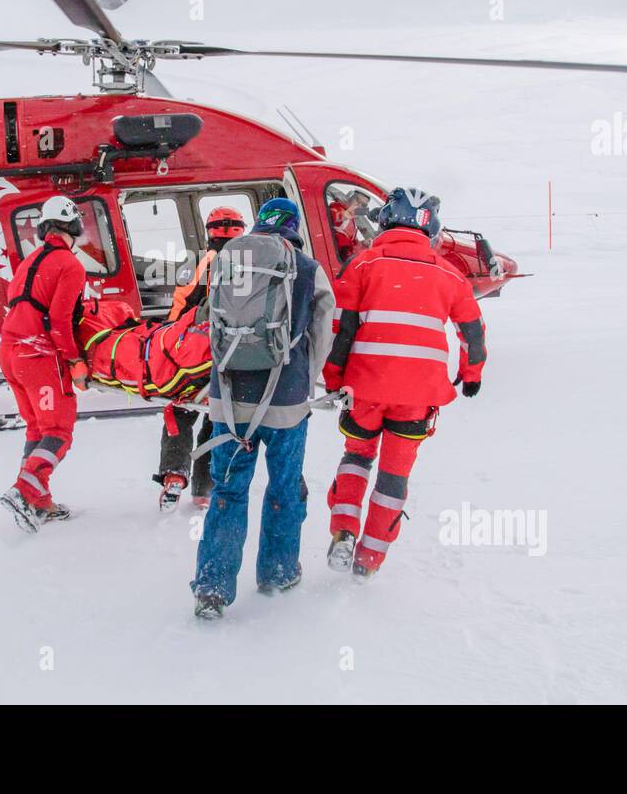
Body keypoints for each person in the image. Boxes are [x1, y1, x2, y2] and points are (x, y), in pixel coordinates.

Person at [321, 187, 487, 579]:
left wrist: (333, 378)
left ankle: (344, 530)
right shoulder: (449, 273)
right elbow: (473, 331)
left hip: (365, 389)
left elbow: (339, 328)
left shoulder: (363, 264)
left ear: (385, 223)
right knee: (395, 474)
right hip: (418, 396)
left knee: (357, 457)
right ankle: (370, 559)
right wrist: (472, 374)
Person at [191, 198, 334, 618]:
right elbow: (323, 327)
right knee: (284, 487)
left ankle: (212, 588)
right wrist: (307, 379)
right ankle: (278, 572)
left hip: (228, 399)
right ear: (293, 229)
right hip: (285, 403)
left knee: (229, 491)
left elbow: (210, 321)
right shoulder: (306, 267)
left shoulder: (225, 261)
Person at [0, 195, 90, 533]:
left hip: (10, 352)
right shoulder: (69, 265)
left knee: (37, 428)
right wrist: (76, 360)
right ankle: (25, 488)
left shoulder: (29, 261)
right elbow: (60, 321)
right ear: (74, 225)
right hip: (37, 355)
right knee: (58, 431)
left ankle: (40, 500)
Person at [155, 206, 246, 513]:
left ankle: (174, 474)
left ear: (210, 231)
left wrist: (169, 343)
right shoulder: (250, 264)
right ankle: (204, 490)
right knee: (216, 418)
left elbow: (179, 308)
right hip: (233, 356)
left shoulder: (196, 262)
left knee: (179, 410)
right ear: (240, 231)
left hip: (194, 353)